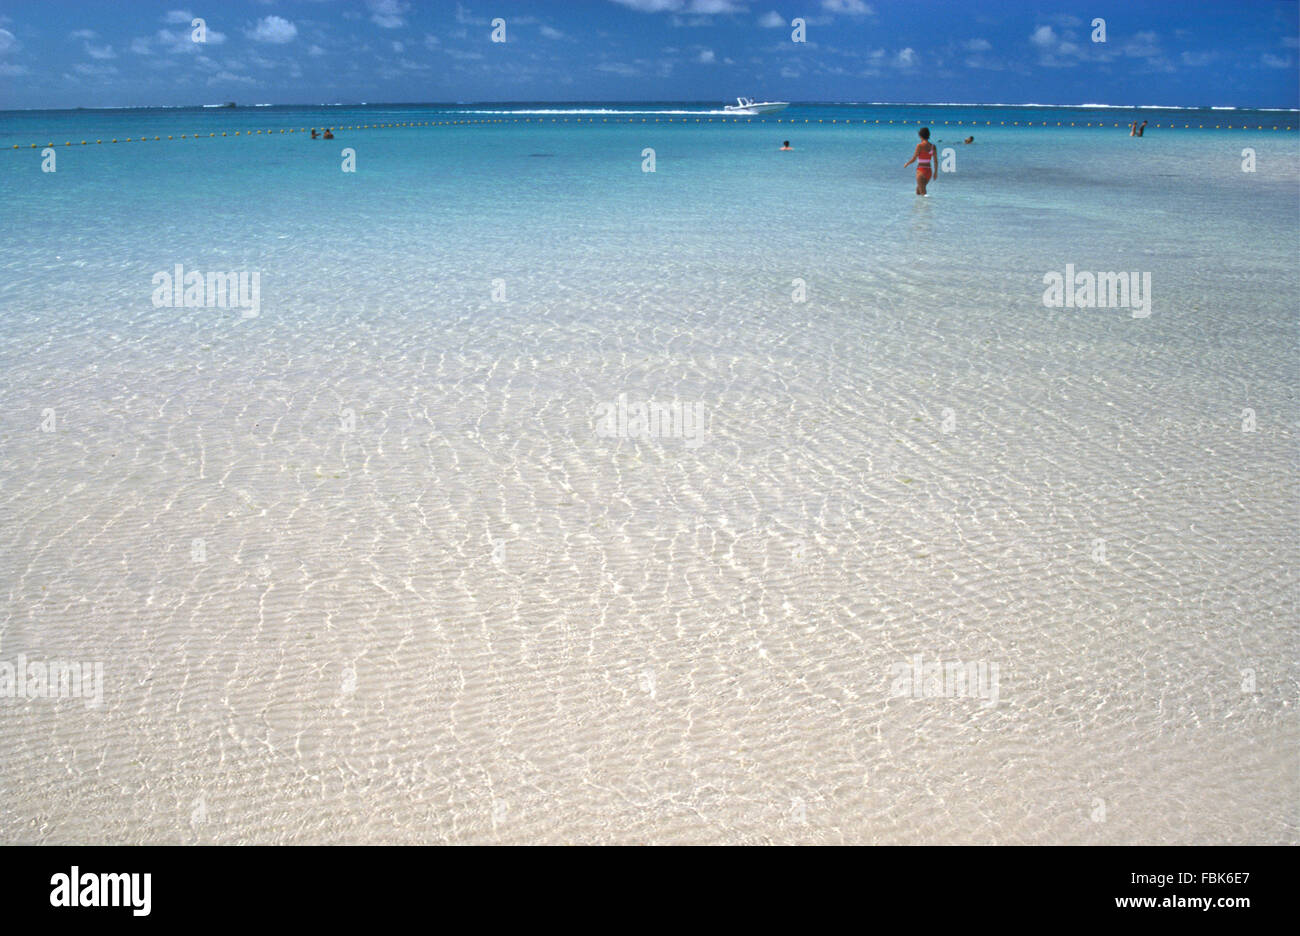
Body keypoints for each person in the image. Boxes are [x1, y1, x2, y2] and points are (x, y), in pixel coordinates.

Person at [903, 126, 936, 196]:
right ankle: (922, 204)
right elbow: (935, 161)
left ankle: (929, 202)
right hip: (929, 171)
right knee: (918, 191)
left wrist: (907, 164)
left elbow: (914, 158)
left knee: (923, 193)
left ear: (920, 136)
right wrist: (935, 173)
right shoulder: (933, 146)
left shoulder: (919, 146)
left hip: (921, 171)